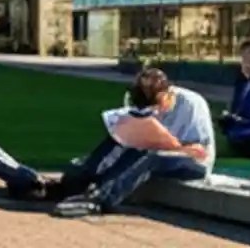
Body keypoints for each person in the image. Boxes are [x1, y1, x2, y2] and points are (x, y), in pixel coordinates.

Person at [52, 68, 214, 218]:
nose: (155, 112)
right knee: (117, 141)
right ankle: (74, 183)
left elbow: (200, 152)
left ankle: (102, 200)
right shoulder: (143, 107)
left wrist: (173, 145)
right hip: (158, 151)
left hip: (193, 162)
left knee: (151, 156)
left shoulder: (192, 103)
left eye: (156, 106)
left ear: (167, 94)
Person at [220, 40, 250, 182]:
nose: (248, 62)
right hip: (243, 126)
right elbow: (237, 109)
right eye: (244, 58)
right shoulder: (241, 83)